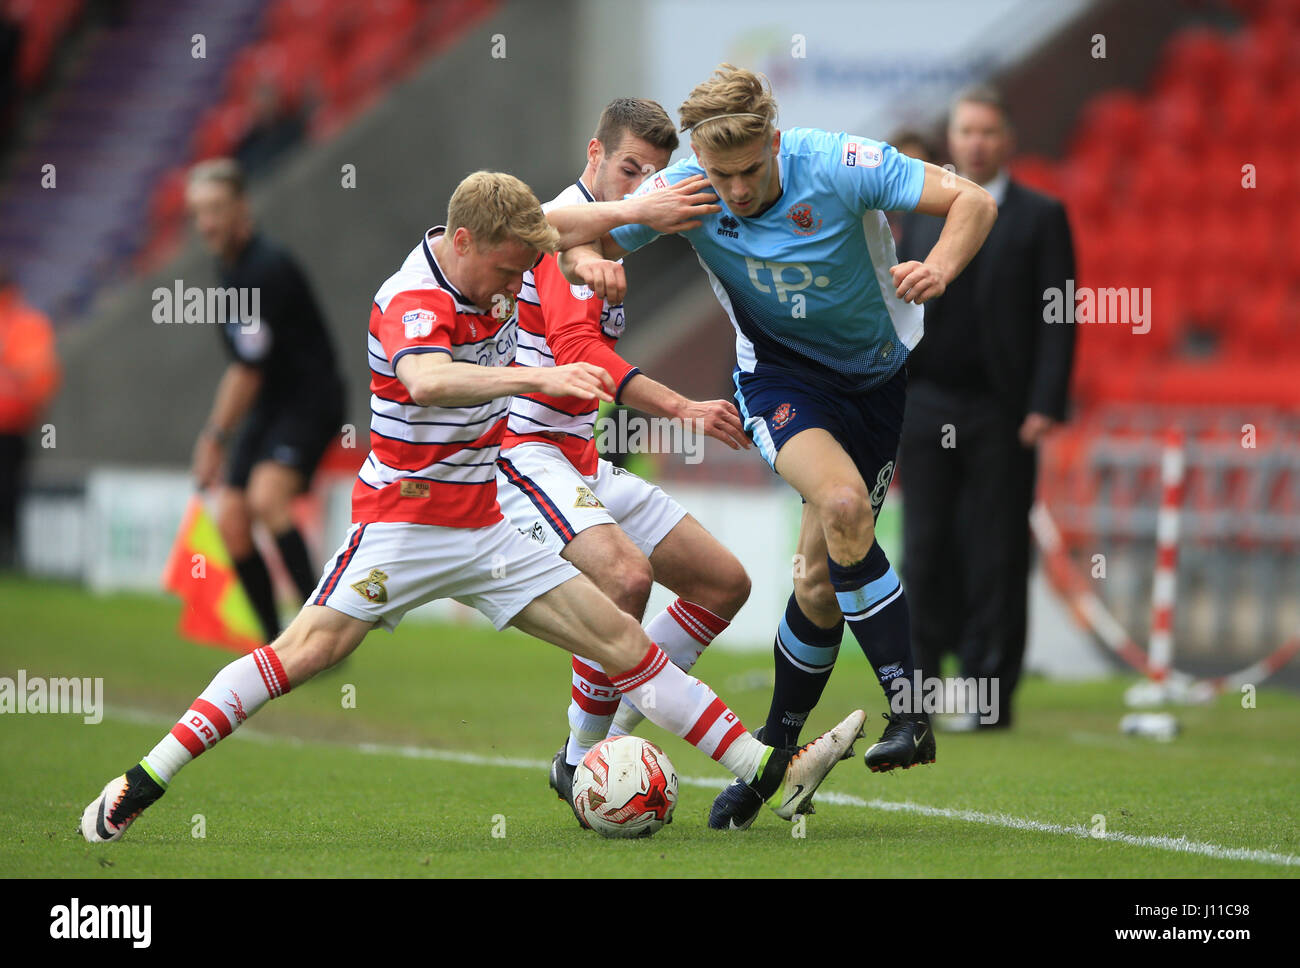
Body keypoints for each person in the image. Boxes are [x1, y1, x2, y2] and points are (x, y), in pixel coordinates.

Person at [79, 170, 865, 843]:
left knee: (623, 640)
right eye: (507, 270)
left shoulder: (498, 246)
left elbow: (563, 224)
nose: (515, 286)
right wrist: (537, 378)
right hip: (403, 525)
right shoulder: (412, 296)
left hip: (484, 525)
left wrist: (632, 214)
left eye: (525, 270)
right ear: (464, 243)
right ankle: (145, 779)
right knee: (305, 655)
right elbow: (428, 380)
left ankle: (772, 770)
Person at [559, 64, 997, 830]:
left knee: (821, 584)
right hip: (780, 382)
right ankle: (910, 708)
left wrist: (941, 266)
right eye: (717, 173)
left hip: (877, 382)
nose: (730, 190)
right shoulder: (688, 190)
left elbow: (974, 199)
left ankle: (773, 760)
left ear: (776, 142)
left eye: (748, 171)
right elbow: (572, 223)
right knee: (841, 503)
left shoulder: (835, 163)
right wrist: (588, 257)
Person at [494, 98, 753, 827]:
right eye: (630, 168)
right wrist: (685, 409)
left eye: (654, 175)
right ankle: (583, 760)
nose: (641, 184)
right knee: (626, 578)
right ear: (594, 155)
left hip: (583, 455)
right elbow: (580, 352)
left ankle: (599, 750)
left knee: (722, 583)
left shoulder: (606, 232)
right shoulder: (549, 228)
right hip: (527, 449)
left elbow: (593, 245)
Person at [895, 86, 1076, 730]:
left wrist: (1045, 402)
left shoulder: (1039, 215)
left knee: (994, 551)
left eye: (988, 131)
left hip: (1001, 410)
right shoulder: (920, 210)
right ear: (952, 138)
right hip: (926, 405)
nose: (976, 142)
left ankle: (987, 694)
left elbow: (1059, 316)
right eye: (966, 130)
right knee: (925, 547)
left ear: (1008, 140)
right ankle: (917, 691)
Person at [186, 158, 346, 642]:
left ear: (242, 207)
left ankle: (320, 636)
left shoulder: (264, 267)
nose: (207, 223)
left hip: (308, 400)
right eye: (200, 213)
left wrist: (214, 438)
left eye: (216, 209)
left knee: (266, 497)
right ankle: (275, 645)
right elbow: (247, 367)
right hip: (272, 403)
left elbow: (249, 369)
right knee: (232, 520)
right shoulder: (230, 267)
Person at [0, 265, 59, 570]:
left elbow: (40, 377)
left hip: (14, 427)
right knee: (12, 491)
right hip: (17, 426)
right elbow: (43, 378)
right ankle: (12, 553)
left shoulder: (27, 323)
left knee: (10, 490)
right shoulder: (30, 323)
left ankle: (10, 554)